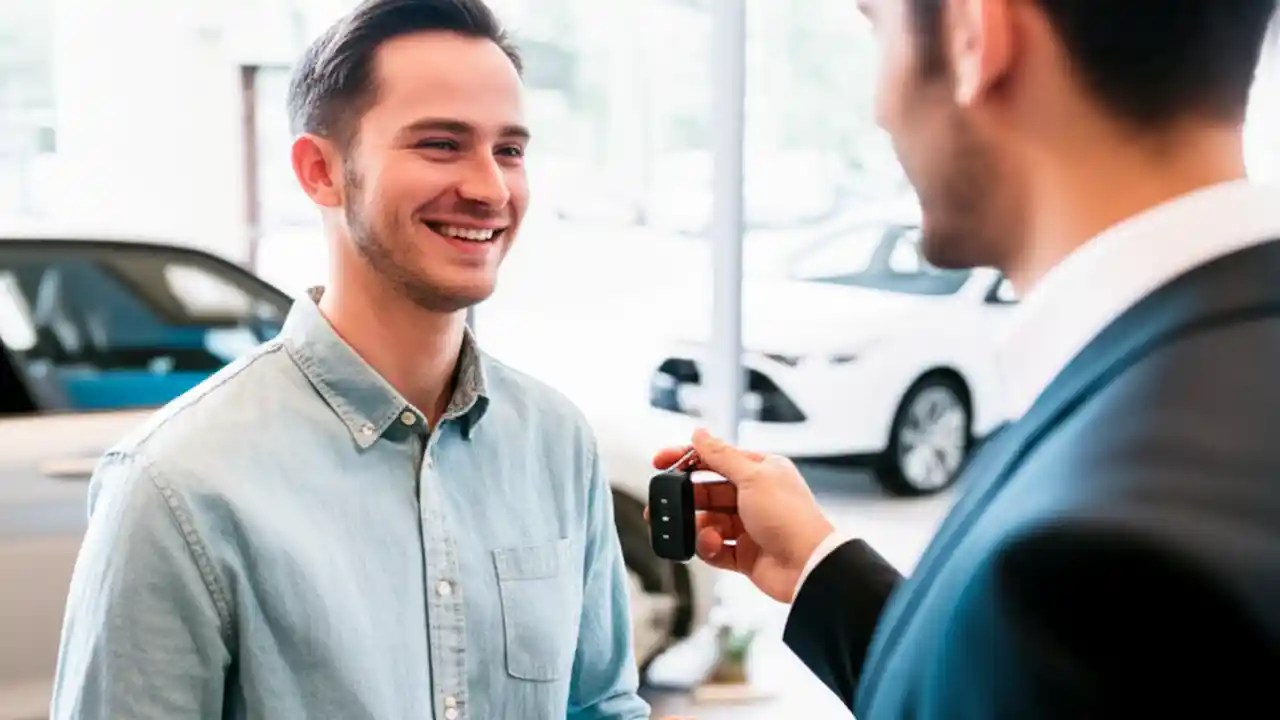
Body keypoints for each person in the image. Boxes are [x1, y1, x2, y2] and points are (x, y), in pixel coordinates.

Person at [653, 0, 1280, 717]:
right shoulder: (1206, 383)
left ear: (974, 35)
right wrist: (816, 567)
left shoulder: (1097, 552)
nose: (880, 110)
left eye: (877, 28)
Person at [50, 1, 649, 718]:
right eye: (440, 144)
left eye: (510, 150)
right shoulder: (177, 484)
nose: (490, 188)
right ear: (320, 171)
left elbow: (600, 706)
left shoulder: (555, 442)